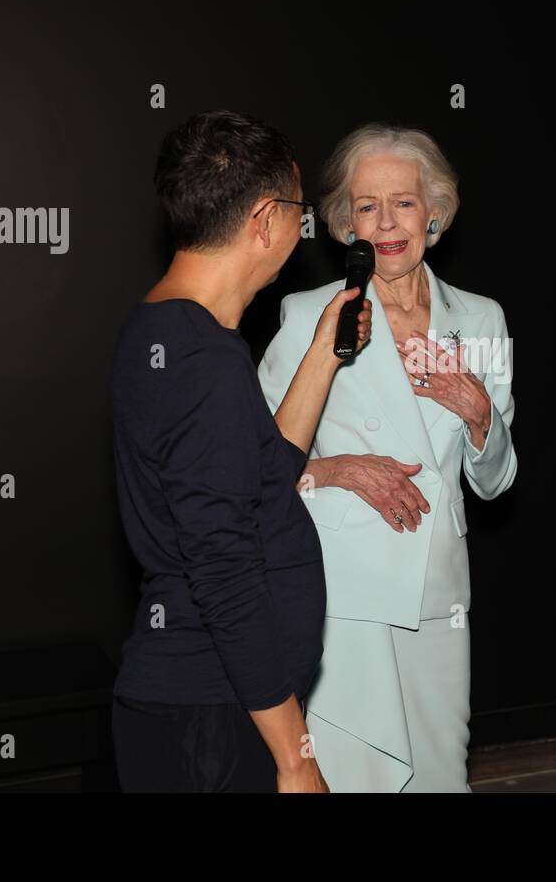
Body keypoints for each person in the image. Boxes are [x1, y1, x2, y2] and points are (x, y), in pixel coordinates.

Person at [108, 110, 370, 792]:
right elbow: (223, 572)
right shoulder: (202, 364)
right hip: (212, 725)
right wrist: (295, 757)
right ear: (264, 221)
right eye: (298, 210)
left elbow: (266, 476)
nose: (302, 227)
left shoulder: (168, 335)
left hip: (204, 713)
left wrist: (322, 353)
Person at [257, 123, 517, 791]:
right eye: (367, 206)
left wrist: (480, 413)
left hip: (437, 595)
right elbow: (253, 468)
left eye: (403, 202)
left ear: (434, 213)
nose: (387, 222)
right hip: (343, 596)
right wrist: (338, 469)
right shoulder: (309, 313)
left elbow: (495, 483)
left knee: (437, 776)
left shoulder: (481, 320)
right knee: (356, 778)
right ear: (346, 224)